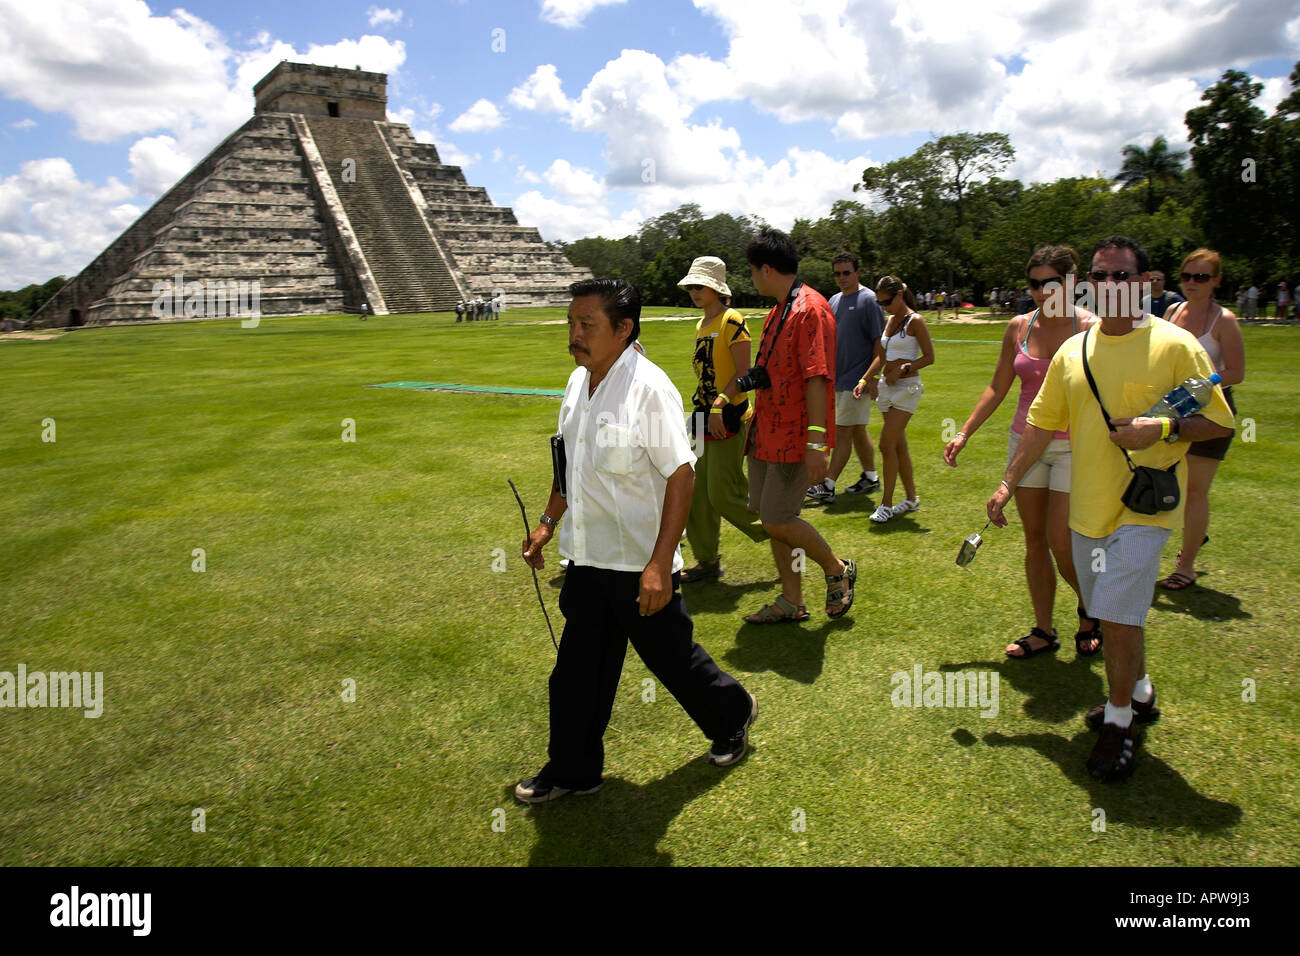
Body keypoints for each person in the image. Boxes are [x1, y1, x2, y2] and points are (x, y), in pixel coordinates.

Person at [987, 235, 1234, 782]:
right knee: (1111, 607)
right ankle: (1140, 692)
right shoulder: (1073, 352)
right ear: (1090, 285)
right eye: (1101, 276)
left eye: (1122, 277)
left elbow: (1218, 421)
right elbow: (1040, 423)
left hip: (1144, 506)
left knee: (1118, 613)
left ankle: (1119, 721)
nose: (1111, 287)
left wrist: (1162, 427)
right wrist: (1007, 483)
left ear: (1147, 284)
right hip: (1088, 507)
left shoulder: (1175, 346)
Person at [515, 278, 758, 803]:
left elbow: (681, 475)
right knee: (577, 675)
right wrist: (547, 523)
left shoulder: (649, 389)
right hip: (586, 561)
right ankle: (574, 770)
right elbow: (569, 468)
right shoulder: (578, 384)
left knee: (674, 662)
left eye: (587, 325)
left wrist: (659, 564)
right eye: (571, 324)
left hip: (638, 564)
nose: (575, 336)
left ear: (623, 329)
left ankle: (732, 713)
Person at [944, 246, 1102, 658]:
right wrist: (964, 433)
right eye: (1033, 284)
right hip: (1026, 442)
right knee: (1034, 541)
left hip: (1072, 446)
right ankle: (1044, 631)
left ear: (1071, 282)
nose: (1040, 291)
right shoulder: (1019, 325)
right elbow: (998, 386)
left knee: (1061, 539)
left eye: (1050, 283)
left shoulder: (1091, 328)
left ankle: (1090, 611)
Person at [742, 227, 857, 623]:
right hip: (767, 432)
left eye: (753, 271)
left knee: (778, 518)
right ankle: (792, 601)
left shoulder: (810, 308)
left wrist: (816, 445)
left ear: (768, 269)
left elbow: (817, 377)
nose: (751, 278)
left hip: (794, 436)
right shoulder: (778, 309)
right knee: (774, 522)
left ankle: (837, 568)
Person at [1157, 248, 1246, 590]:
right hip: (1173, 410)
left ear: (1216, 282)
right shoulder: (1172, 311)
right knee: (1169, 483)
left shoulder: (1223, 320)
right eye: (1187, 276)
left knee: (1195, 491)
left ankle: (1187, 567)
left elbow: (1237, 372)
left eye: (1202, 277)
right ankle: (1194, 537)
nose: (1192, 283)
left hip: (1211, 415)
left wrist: (1204, 383)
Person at [677, 256, 768, 583]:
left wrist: (719, 404)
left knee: (722, 494)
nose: (693, 291)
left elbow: (745, 374)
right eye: (690, 286)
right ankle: (707, 561)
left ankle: (782, 529)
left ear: (716, 288)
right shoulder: (701, 325)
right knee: (696, 494)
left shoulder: (732, 320)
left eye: (699, 286)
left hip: (728, 417)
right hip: (705, 419)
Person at [806, 253, 884, 504]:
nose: (841, 278)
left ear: (857, 272)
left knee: (841, 434)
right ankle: (871, 477)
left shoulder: (869, 300)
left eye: (846, 272)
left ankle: (827, 485)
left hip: (857, 381)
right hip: (837, 379)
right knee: (857, 430)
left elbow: (878, 342)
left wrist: (872, 377)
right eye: (837, 273)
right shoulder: (834, 300)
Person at [854, 276, 933, 523]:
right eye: (880, 303)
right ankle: (911, 498)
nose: (883, 306)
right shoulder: (889, 321)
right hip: (887, 388)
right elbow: (881, 357)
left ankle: (886, 505)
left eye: (886, 301)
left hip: (907, 389)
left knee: (886, 445)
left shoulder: (915, 321)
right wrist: (865, 379)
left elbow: (929, 357)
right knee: (898, 445)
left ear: (899, 295)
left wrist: (905, 368)